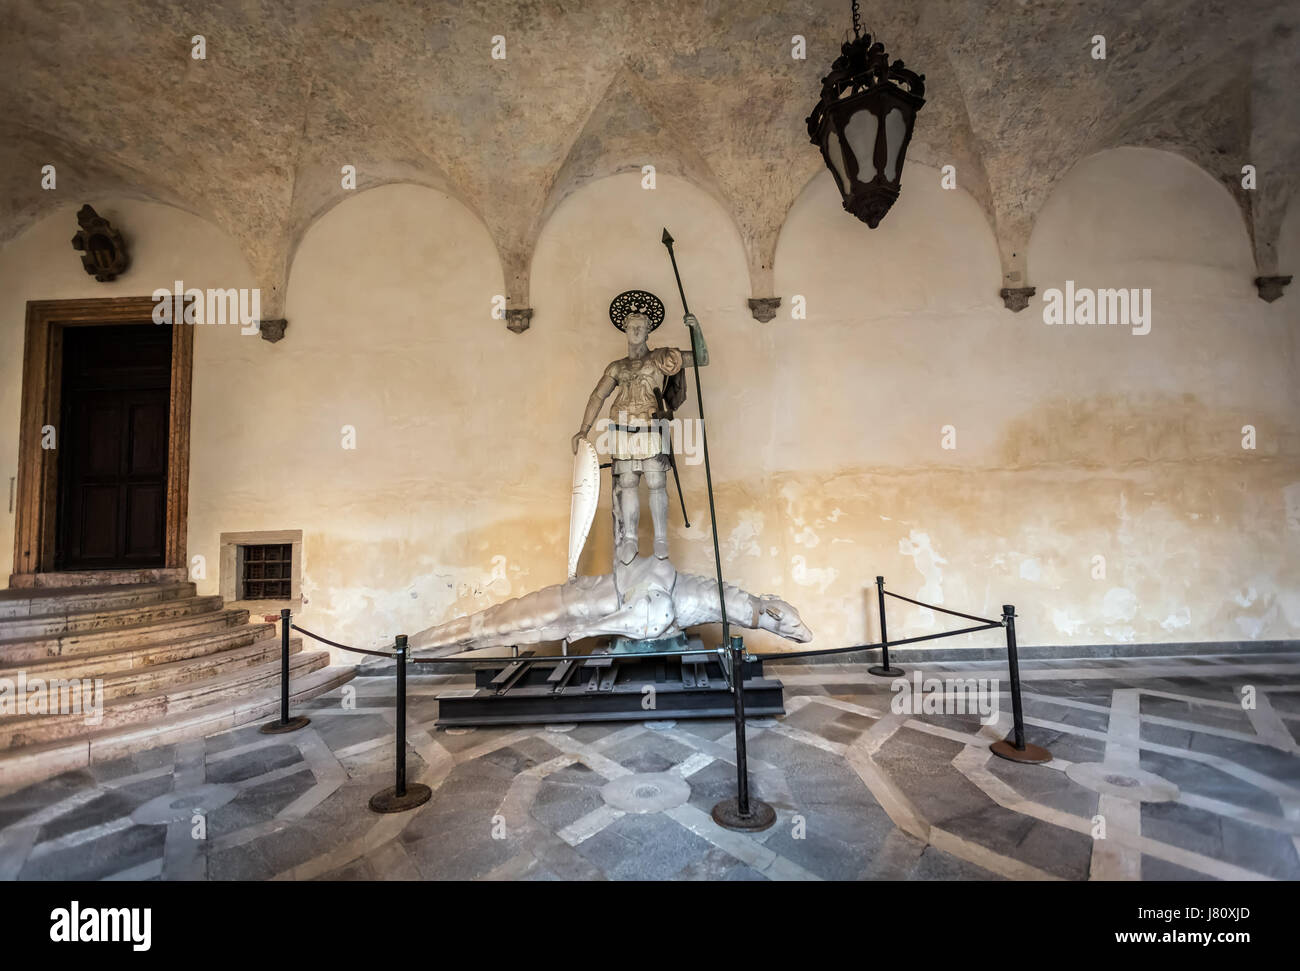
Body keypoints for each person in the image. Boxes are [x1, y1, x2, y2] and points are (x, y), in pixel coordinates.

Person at [571, 289, 708, 564]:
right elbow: (598, 395)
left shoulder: (660, 357)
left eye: (640, 327)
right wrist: (583, 429)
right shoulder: (616, 367)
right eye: (631, 326)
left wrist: (697, 330)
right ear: (625, 330)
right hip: (622, 427)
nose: (635, 330)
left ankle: (660, 538)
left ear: (648, 332)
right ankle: (630, 538)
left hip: (650, 424)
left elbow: (701, 358)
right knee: (629, 482)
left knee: (656, 481)